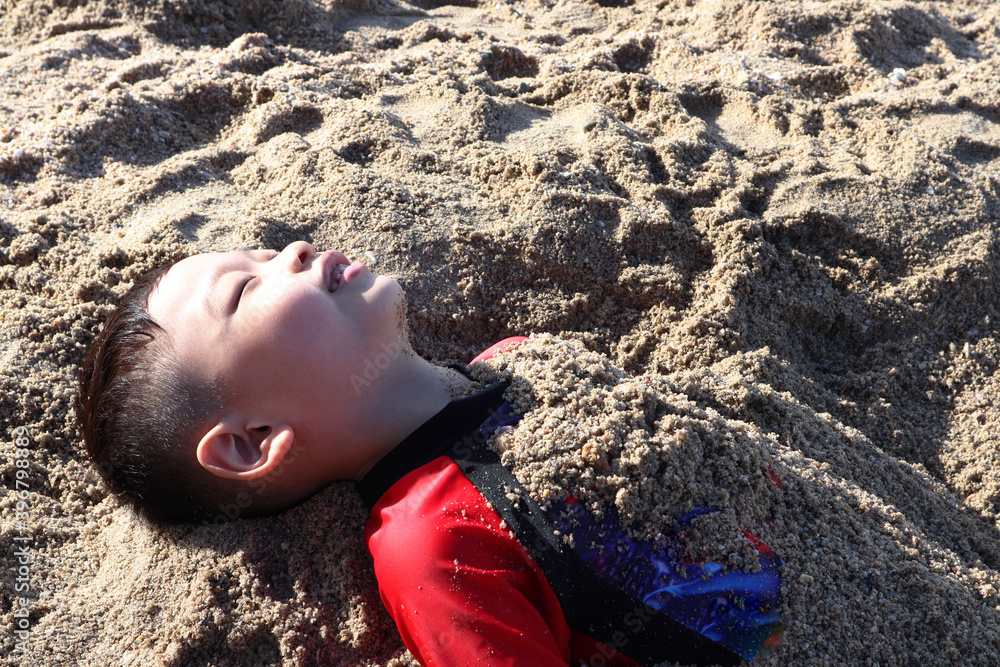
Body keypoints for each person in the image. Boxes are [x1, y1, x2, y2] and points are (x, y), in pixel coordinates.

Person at [76, 241, 781, 666]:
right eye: (245, 288)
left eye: (260, 250)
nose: (287, 251)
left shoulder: (529, 358)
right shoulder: (433, 545)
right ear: (252, 442)